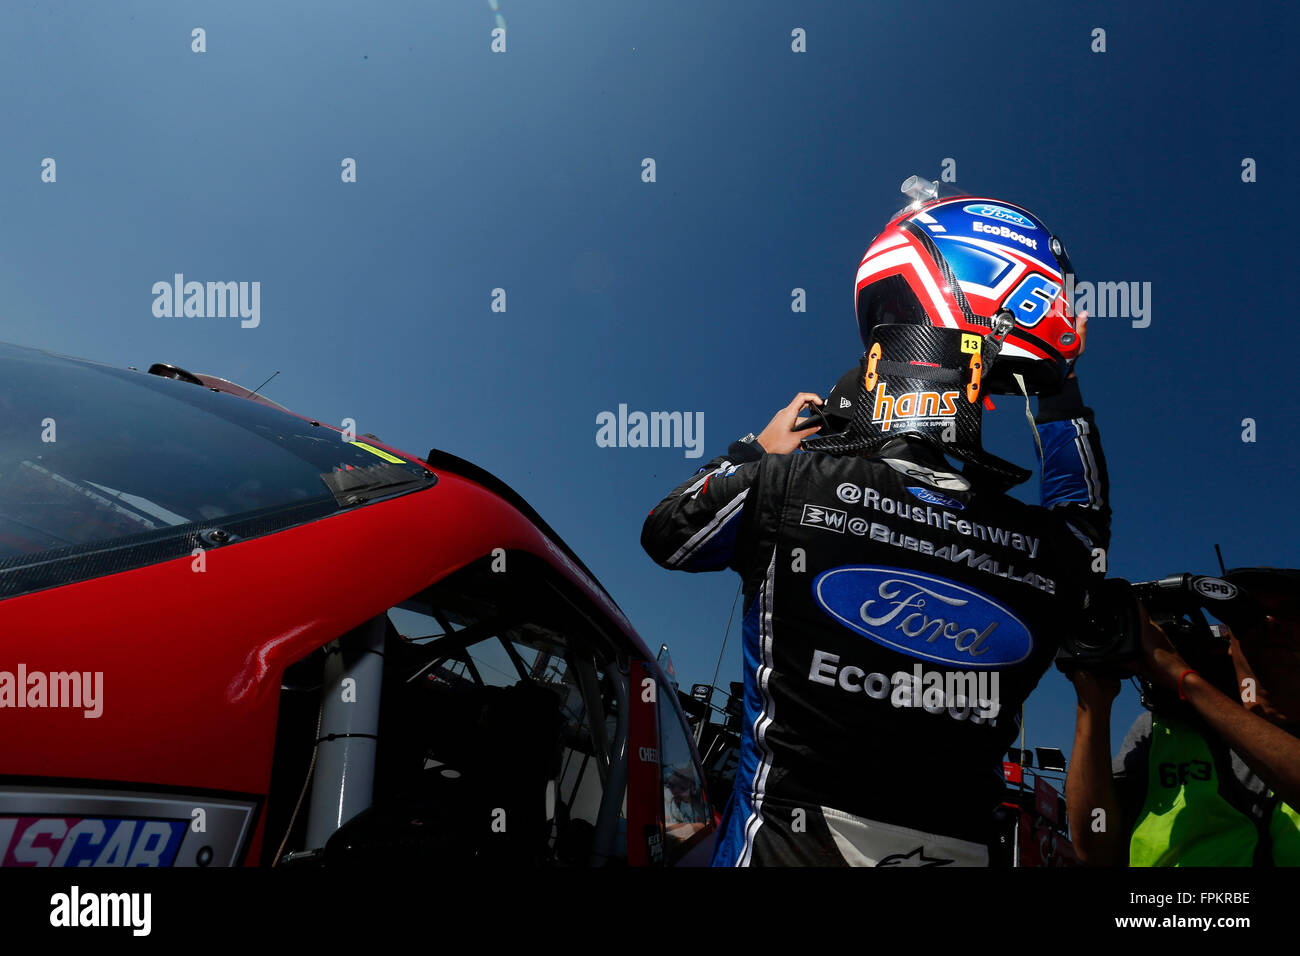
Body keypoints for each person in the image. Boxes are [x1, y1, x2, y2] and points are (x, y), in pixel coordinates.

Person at [641, 183, 1110, 866]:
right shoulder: (1046, 553)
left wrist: (758, 450)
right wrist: (1061, 386)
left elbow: (667, 532)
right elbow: (1085, 529)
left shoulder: (787, 483)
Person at [1066, 568, 1300, 866]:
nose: (1271, 623)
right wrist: (1093, 705)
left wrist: (1183, 679)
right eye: (1251, 615)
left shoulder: (1186, 691)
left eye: (1292, 613)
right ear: (1229, 636)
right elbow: (1094, 846)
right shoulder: (1162, 730)